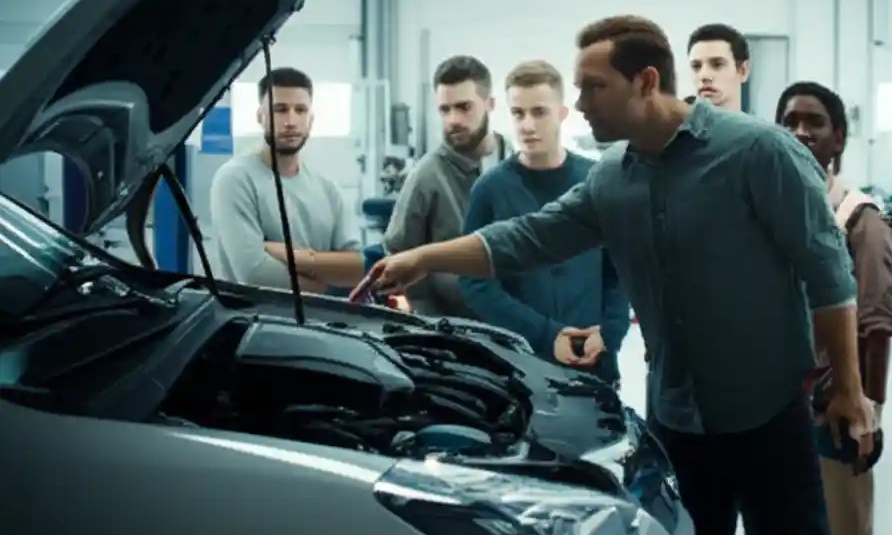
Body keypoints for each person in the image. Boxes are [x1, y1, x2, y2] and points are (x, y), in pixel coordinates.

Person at [364, 14, 879, 535]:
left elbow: (830, 273)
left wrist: (851, 393)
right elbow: (527, 237)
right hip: (677, 419)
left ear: (646, 81)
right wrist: (425, 257)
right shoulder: (613, 179)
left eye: (593, 87)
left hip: (768, 417)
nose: (579, 103)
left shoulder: (758, 152)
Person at [777, 81, 892, 535]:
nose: (802, 132)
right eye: (790, 122)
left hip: (835, 413)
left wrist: (867, 412)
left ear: (838, 138)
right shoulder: (779, 209)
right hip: (780, 410)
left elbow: (876, 324)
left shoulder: (861, 219)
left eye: (815, 123)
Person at [459, 60, 631, 384]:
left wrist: (609, 331)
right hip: (521, 365)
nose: (526, 125)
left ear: (562, 113)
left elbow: (621, 267)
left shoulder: (597, 180)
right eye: (517, 113)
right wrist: (544, 334)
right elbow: (474, 282)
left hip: (593, 359)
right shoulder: (490, 190)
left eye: (539, 112)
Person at [209, 67, 365, 292]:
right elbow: (254, 273)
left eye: (300, 110)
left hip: (322, 324)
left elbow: (357, 267)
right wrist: (328, 285)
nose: (291, 121)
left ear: (311, 119)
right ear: (260, 116)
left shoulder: (327, 189)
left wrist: (295, 257)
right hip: (258, 321)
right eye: (280, 110)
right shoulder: (235, 179)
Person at [383, 55, 510, 317]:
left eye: (464, 107)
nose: (453, 119)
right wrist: (432, 323)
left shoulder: (519, 163)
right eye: (445, 109)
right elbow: (398, 255)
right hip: (454, 332)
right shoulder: (427, 176)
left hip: (522, 327)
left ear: (490, 104)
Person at [687, 23, 750, 112]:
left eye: (717, 64)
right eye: (696, 66)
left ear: (743, 71)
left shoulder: (761, 126)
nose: (704, 76)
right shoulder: (677, 125)